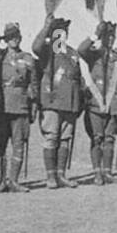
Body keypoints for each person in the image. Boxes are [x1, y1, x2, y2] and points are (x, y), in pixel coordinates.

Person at [32, 15, 84, 189]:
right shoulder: (47, 51)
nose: (62, 36)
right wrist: (46, 26)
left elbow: (79, 79)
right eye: (58, 32)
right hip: (52, 102)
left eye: (64, 32)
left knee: (64, 139)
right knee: (51, 138)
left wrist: (78, 104)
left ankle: (61, 175)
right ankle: (51, 177)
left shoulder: (72, 53)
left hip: (69, 103)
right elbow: (35, 47)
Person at [0, 22, 38, 193]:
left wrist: (33, 105)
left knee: (19, 144)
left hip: (21, 105)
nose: (13, 40)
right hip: (2, 106)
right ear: (6, 40)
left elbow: (33, 83)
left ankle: (14, 180)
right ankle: (1, 181)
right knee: (0, 144)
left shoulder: (27, 57)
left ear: (20, 38)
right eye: (9, 38)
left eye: (16, 37)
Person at [79, 20, 117, 185]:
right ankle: (97, 173)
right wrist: (95, 33)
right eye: (106, 36)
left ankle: (108, 172)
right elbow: (81, 50)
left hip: (114, 105)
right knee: (97, 138)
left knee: (109, 139)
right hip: (96, 104)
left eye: (112, 37)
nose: (110, 40)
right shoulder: (94, 54)